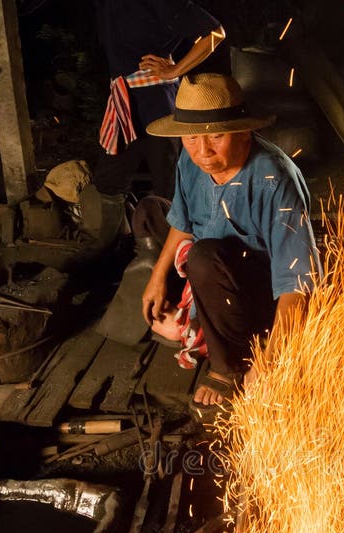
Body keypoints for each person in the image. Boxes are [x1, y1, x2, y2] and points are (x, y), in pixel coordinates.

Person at [141, 73, 322, 416]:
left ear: (242, 131)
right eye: (192, 139)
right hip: (216, 282)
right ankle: (209, 331)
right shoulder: (190, 161)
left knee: (204, 256)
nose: (203, 152)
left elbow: (297, 283)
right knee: (163, 237)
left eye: (216, 137)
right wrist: (157, 277)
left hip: (267, 298)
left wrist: (269, 361)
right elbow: (181, 221)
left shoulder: (274, 179)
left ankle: (227, 367)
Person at [94, 0, 227, 200]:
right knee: (108, 182)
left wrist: (175, 69)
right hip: (123, 102)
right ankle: (129, 227)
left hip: (158, 104)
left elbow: (215, 33)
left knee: (169, 184)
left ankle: (179, 228)